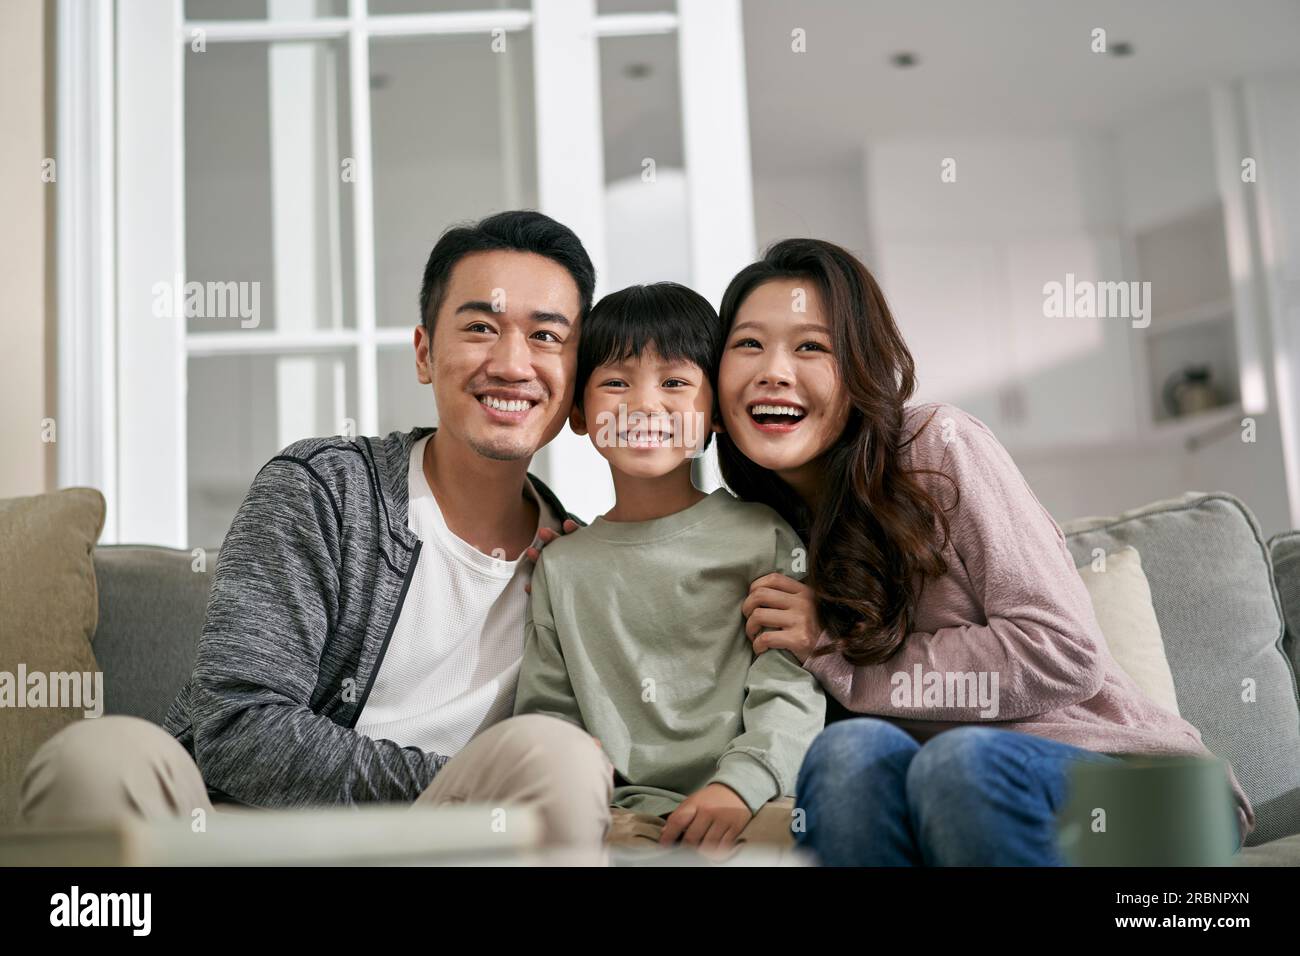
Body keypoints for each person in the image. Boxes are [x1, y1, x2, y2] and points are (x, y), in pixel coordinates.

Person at [20, 211, 613, 858]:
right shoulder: (322, 491)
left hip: (448, 854)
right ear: (424, 352)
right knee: (97, 759)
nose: (511, 362)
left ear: (576, 374)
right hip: (244, 840)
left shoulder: (578, 562)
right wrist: (463, 793)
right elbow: (239, 730)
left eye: (547, 337)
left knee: (562, 760)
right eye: (479, 329)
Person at [714, 237, 1254, 865]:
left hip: (1151, 796)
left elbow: (1062, 653)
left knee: (960, 761)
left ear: (860, 367)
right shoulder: (757, 534)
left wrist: (834, 647)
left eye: (812, 346)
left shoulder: (935, 449)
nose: (774, 370)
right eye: (748, 343)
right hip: (949, 804)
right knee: (845, 756)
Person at [512, 282, 826, 858]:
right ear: (579, 413)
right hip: (620, 821)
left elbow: (788, 687)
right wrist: (589, 813)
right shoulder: (561, 566)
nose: (644, 404)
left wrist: (738, 787)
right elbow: (549, 717)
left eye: (676, 382)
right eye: (615, 382)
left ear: (717, 414)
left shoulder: (763, 536)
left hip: (757, 804)